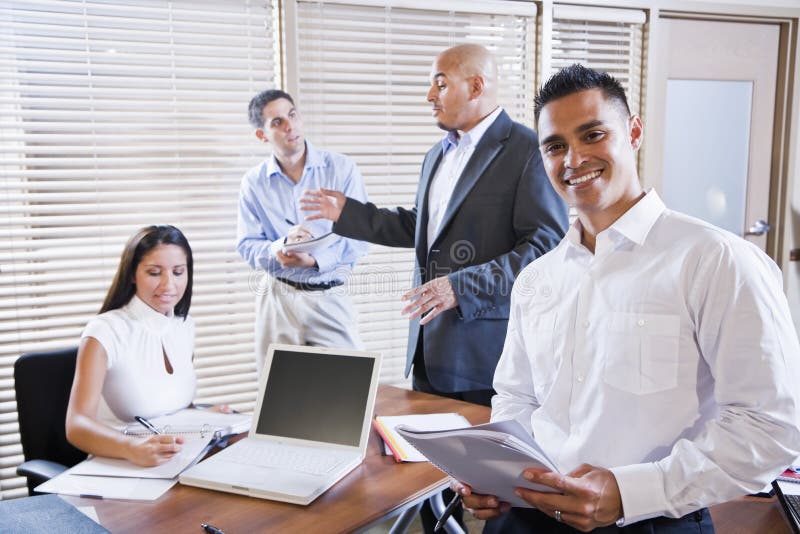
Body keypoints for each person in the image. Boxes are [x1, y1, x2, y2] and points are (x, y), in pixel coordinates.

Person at [452, 64, 800, 533]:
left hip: (649, 521)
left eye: (593, 135)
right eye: (555, 146)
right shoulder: (537, 277)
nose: (572, 159)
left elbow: (770, 426)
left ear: (633, 132)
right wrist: (497, 475)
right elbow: (517, 396)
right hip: (527, 517)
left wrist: (630, 493)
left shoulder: (717, 260)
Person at [301, 43, 568, 407]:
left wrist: (461, 287)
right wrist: (348, 214)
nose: (430, 96)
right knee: (422, 462)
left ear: (476, 87)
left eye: (440, 84)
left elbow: (544, 250)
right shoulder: (436, 155)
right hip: (428, 350)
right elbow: (422, 226)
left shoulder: (527, 150)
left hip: (486, 357)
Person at [66, 225, 229, 467]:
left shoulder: (184, 326)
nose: (169, 285)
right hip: (119, 464)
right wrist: (132, 448)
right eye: (154, 272)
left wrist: (201, 417)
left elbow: (169, 404)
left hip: (173, 459)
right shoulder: (104, 330)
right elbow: (77, 425)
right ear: (132, 274)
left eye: (178, 272)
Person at [238, 89, 370, 372]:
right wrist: (279, 248)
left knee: (349, 385)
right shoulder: (253, 182)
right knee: (278, 393)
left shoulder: (342, 169)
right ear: (262, 135)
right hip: (277, 297)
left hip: (327, 293)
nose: (290, 126)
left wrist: (316, 261)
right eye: (277, 122)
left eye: (292, 115)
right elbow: (247, 245)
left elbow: (360, 237)